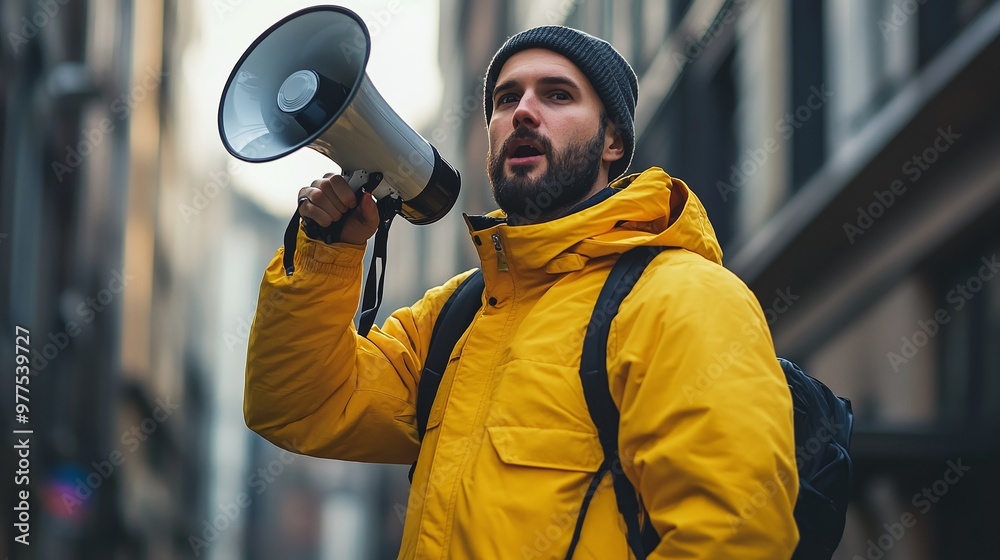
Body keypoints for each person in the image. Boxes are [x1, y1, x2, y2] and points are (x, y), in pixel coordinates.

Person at [244, 25, 799, 559]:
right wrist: (325, 254)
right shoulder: (455, 318)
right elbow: (300, 406)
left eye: (557, 95)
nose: (523, 113)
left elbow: (735, 537)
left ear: (612, 141)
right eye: (506, 100)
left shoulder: (684, 299)